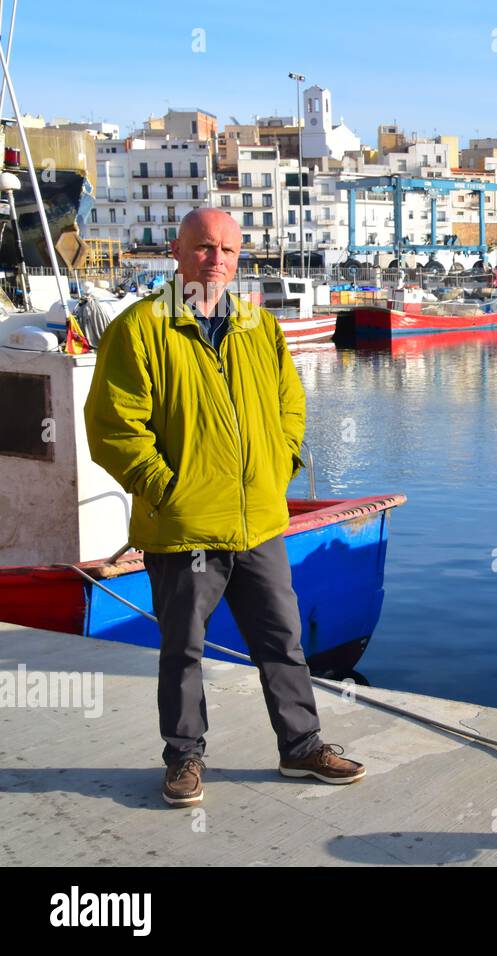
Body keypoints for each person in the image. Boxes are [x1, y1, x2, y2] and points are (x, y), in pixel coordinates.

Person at [84, 209, 364, 807]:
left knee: (282, 641)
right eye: (205, 248)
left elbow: (291, 403)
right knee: (183, 650)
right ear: (178, 252)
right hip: (184, 528)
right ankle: (184, 758)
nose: (216, 260)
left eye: (228, 251)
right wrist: (167, 489)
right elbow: (112, 428)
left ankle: (302, 747)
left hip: (258, 522)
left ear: (240, 259)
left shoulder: (258, 326)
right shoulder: (140, 329)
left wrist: (279, 466)